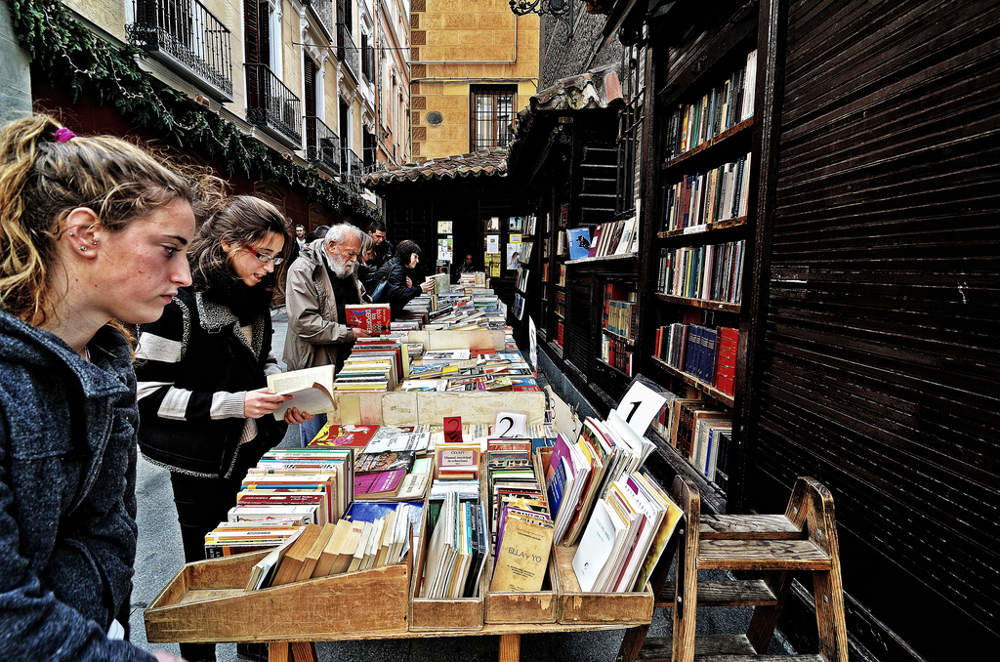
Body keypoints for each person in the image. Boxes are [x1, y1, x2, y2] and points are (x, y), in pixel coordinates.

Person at [0, 114, 194, 661]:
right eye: (168, 249)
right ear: (84, 234)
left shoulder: (110, 360)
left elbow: (110, 530)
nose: (184, 275)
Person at [134, 195, 308, 662]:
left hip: (252, 452)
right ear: (229, 243)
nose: (271, 267)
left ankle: (255, 649)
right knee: (205, 571)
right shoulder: (177, 306)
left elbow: (260, 361)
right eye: (262, 254)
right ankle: (201, 655)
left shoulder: (252, 300)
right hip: (199, 464)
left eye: (277, 257)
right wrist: (238, 404)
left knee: (253, 557)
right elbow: (147, 395)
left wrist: (280, 396)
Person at [283, 224, 368, 445]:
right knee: (316, 436)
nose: (354, 259)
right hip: (313, 364)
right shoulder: (303, 269)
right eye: (350, 253)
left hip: (343, 358)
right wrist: (349, 333)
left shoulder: (344, 266)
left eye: (356, 255)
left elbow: (354, 301)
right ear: (331, 246)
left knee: (341, 430)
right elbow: (305, 322)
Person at [375, 240, 433, 314]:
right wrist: (420, 288)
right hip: (384, 313)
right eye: (415, 257)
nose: (417, 261)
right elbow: (399, 295)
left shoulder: (397, 265)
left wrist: (409, 288)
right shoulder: (397, 269)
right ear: (407, 255)